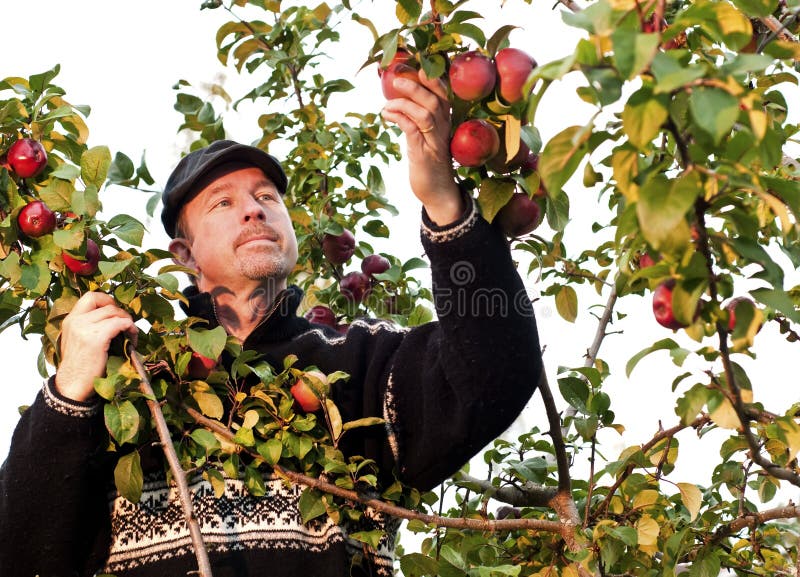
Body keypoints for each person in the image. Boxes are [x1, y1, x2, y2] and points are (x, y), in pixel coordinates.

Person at [0, 71, 542, 576]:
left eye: (266, 197)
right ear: (183, 254)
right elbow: (24, 555)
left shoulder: (362, 361)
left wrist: (445, 202)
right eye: (222, 203)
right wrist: (69, 394)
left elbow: (495, 379)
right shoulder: (130, 378)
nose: (254, 210)